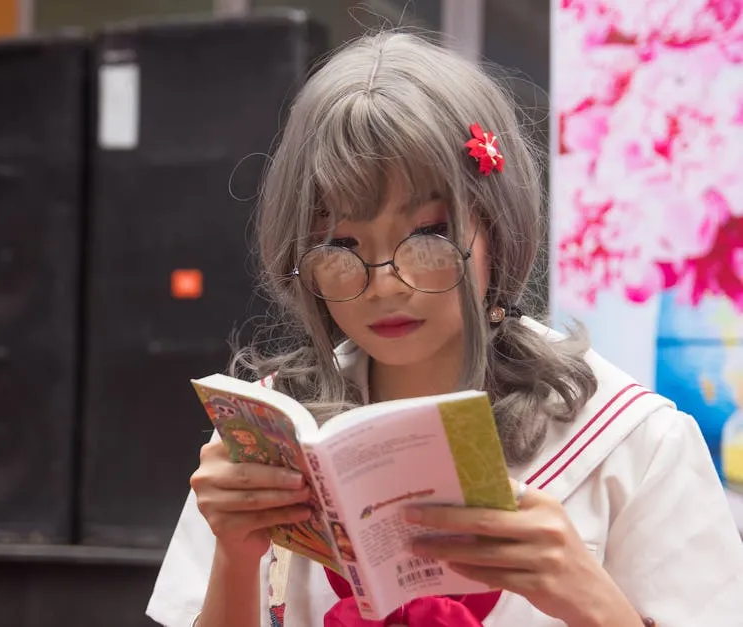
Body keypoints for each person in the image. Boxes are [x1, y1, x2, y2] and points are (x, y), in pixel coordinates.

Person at [146, 30, 743, 627]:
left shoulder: (629, 441)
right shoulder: (273, 431)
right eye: (339, 245)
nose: (385, 284)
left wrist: (592, 602)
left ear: (497, 230)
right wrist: (233, 554)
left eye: (428, 235)